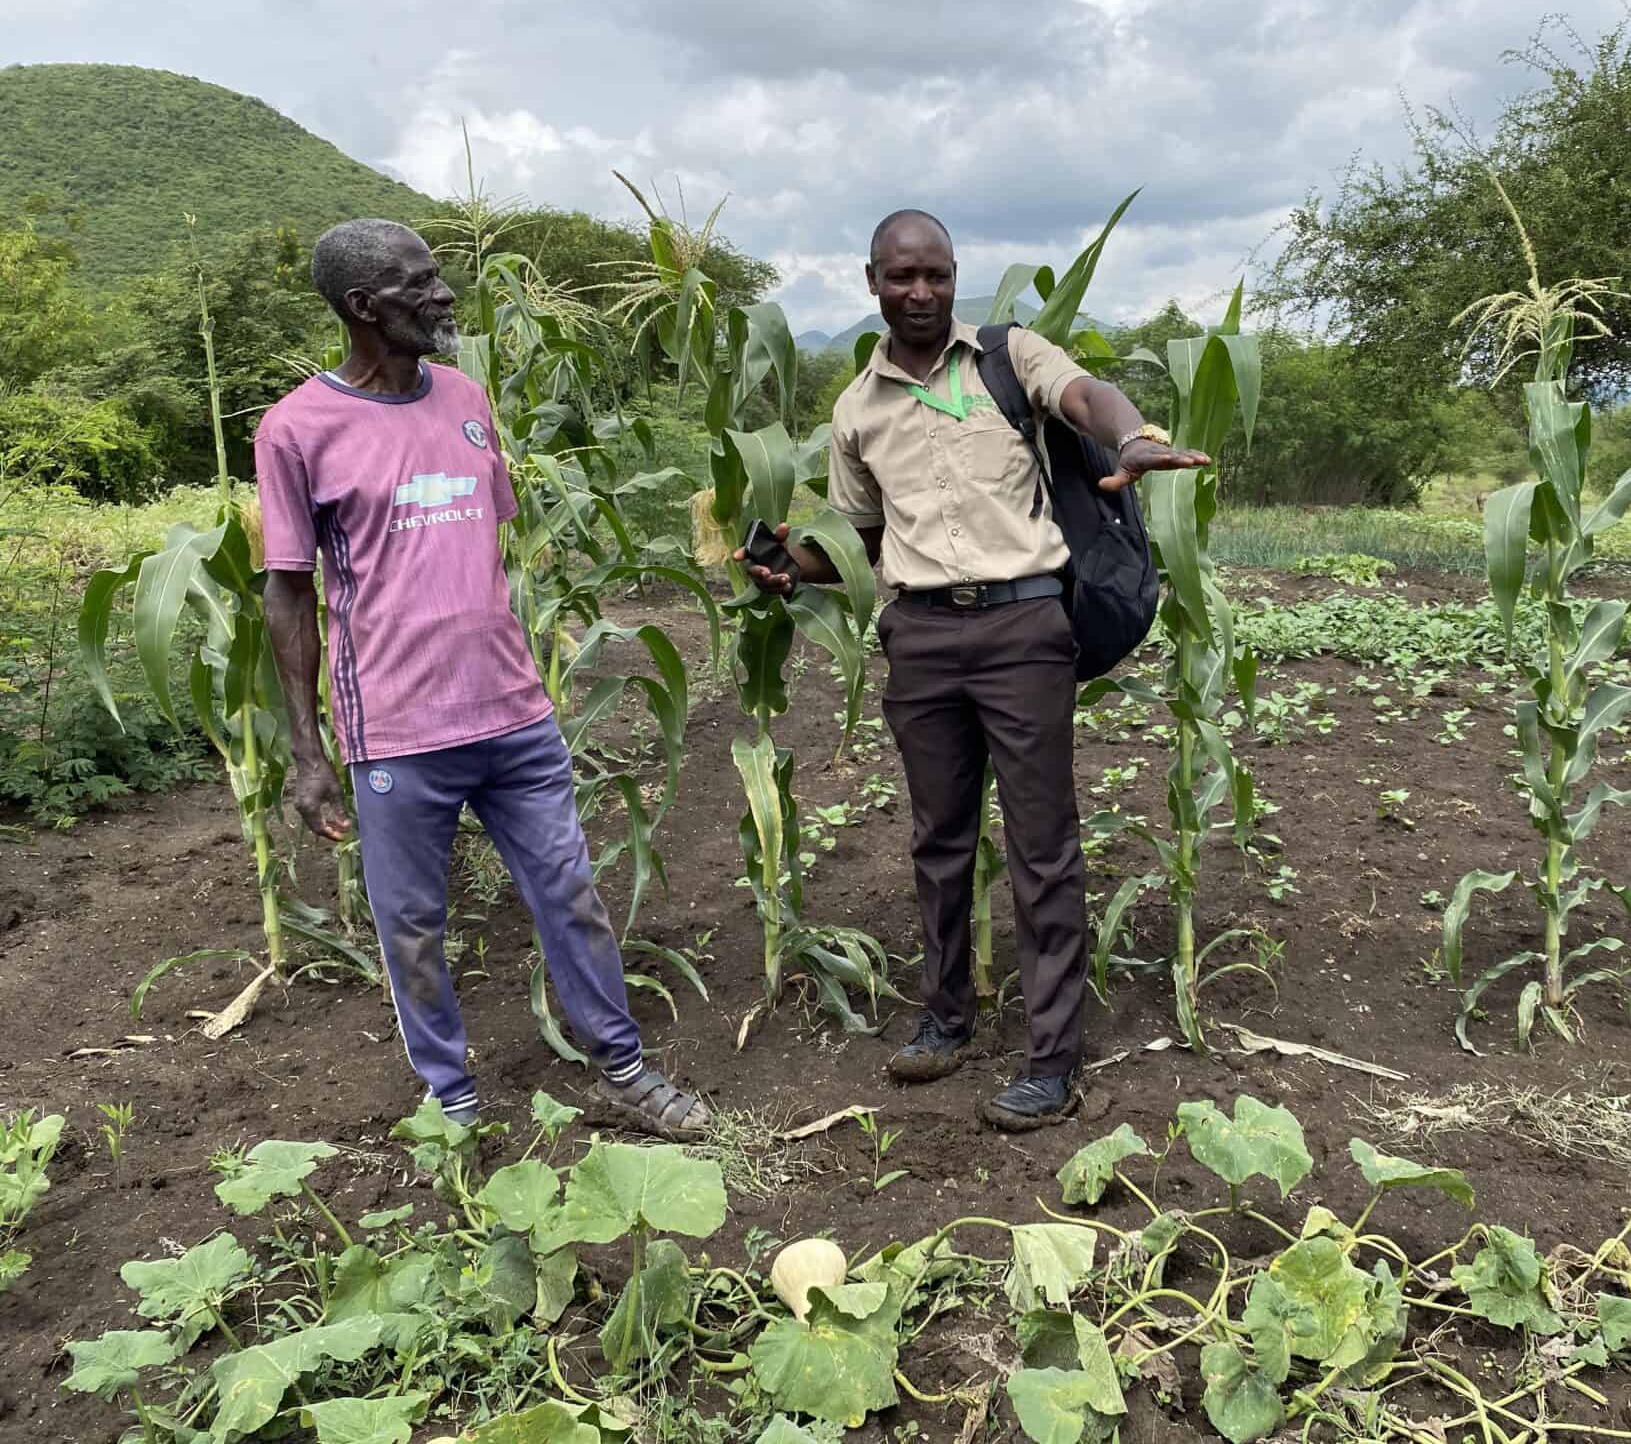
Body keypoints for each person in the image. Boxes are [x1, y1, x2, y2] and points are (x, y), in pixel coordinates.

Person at [738, 209, 1207, 1131]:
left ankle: (1052, 1060)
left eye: (937, 276)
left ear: (954, 277)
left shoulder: (1008, 356)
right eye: (902, 277)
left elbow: (1085, 396)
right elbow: (863, 538)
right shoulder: (856, 410)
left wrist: (1133, 437)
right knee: (939, 841)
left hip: (1023, 626)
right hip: (919, 634)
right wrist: (792, 566)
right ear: (872, 282)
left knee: (1042, 846)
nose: (921, 293)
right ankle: (946, 1019)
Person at [255, 218, 707, 1137]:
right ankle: (451, 1100)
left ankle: (622, 1071)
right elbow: (288, 593)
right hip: (397, 729)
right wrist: (307, 752)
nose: (445, 294)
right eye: (421, 283)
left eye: (440, 276)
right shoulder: (297, 429)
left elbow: (479, 546)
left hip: (513, 717)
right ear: (363, 305)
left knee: (570, 896)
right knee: (412, 926)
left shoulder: (466, 397)